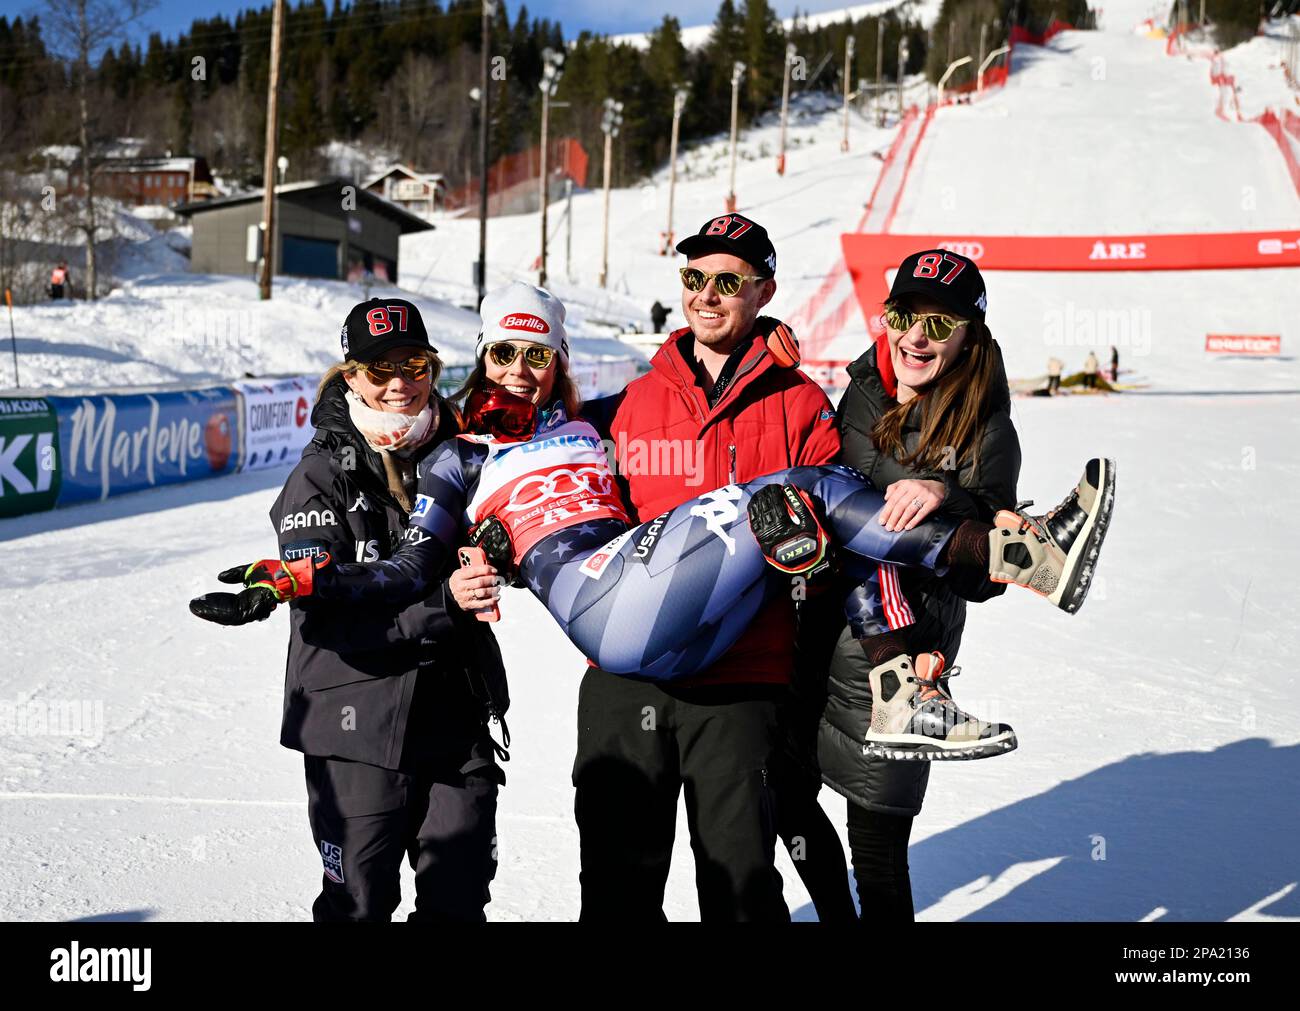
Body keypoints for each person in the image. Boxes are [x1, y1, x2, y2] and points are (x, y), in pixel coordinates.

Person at [192, 284, 1116, 903]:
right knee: (798, 492)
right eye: (503, 354)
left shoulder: (590, 425)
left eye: (537, 356)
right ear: (480, 358)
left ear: (559, 362)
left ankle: (912, 669)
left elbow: (685, 404)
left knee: (811, 502)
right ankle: (1017, 557)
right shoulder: (458, 459)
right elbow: (405, 568)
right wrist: (294, 575)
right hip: (609, 612)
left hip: (687, 623)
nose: (519, 372)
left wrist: (764, 350)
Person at [581, 214, 851, 923]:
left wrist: (812, 553)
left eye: (727, 282)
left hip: (741, 678)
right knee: (615, 889)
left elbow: (837, 534)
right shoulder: (635, 402)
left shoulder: (801, 404)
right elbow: (586, 517)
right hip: (627, 674)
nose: (706, 294)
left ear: (763, 291)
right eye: (694, 277)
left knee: (739, 891)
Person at [248, 296, 508, 922]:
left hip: (454, 719)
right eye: (378, 368)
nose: (398, 384)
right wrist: (445, 601)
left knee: (459, 903)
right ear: (350, 376)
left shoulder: (468, 452)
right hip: (353, 720)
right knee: (359, 907)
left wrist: (505, 552)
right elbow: (330, 617)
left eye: (413, 366)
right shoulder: (319, 477)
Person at [813, 249, 1024, 921]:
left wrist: (946, 496)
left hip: (898, 670)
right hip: (808, 642)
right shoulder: (863, 389)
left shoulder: (987, 428)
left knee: (876, 854)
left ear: (969, 336)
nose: (916, 336)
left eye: (939, 323)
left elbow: (986, 581)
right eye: (904, 315)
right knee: (779, 801)